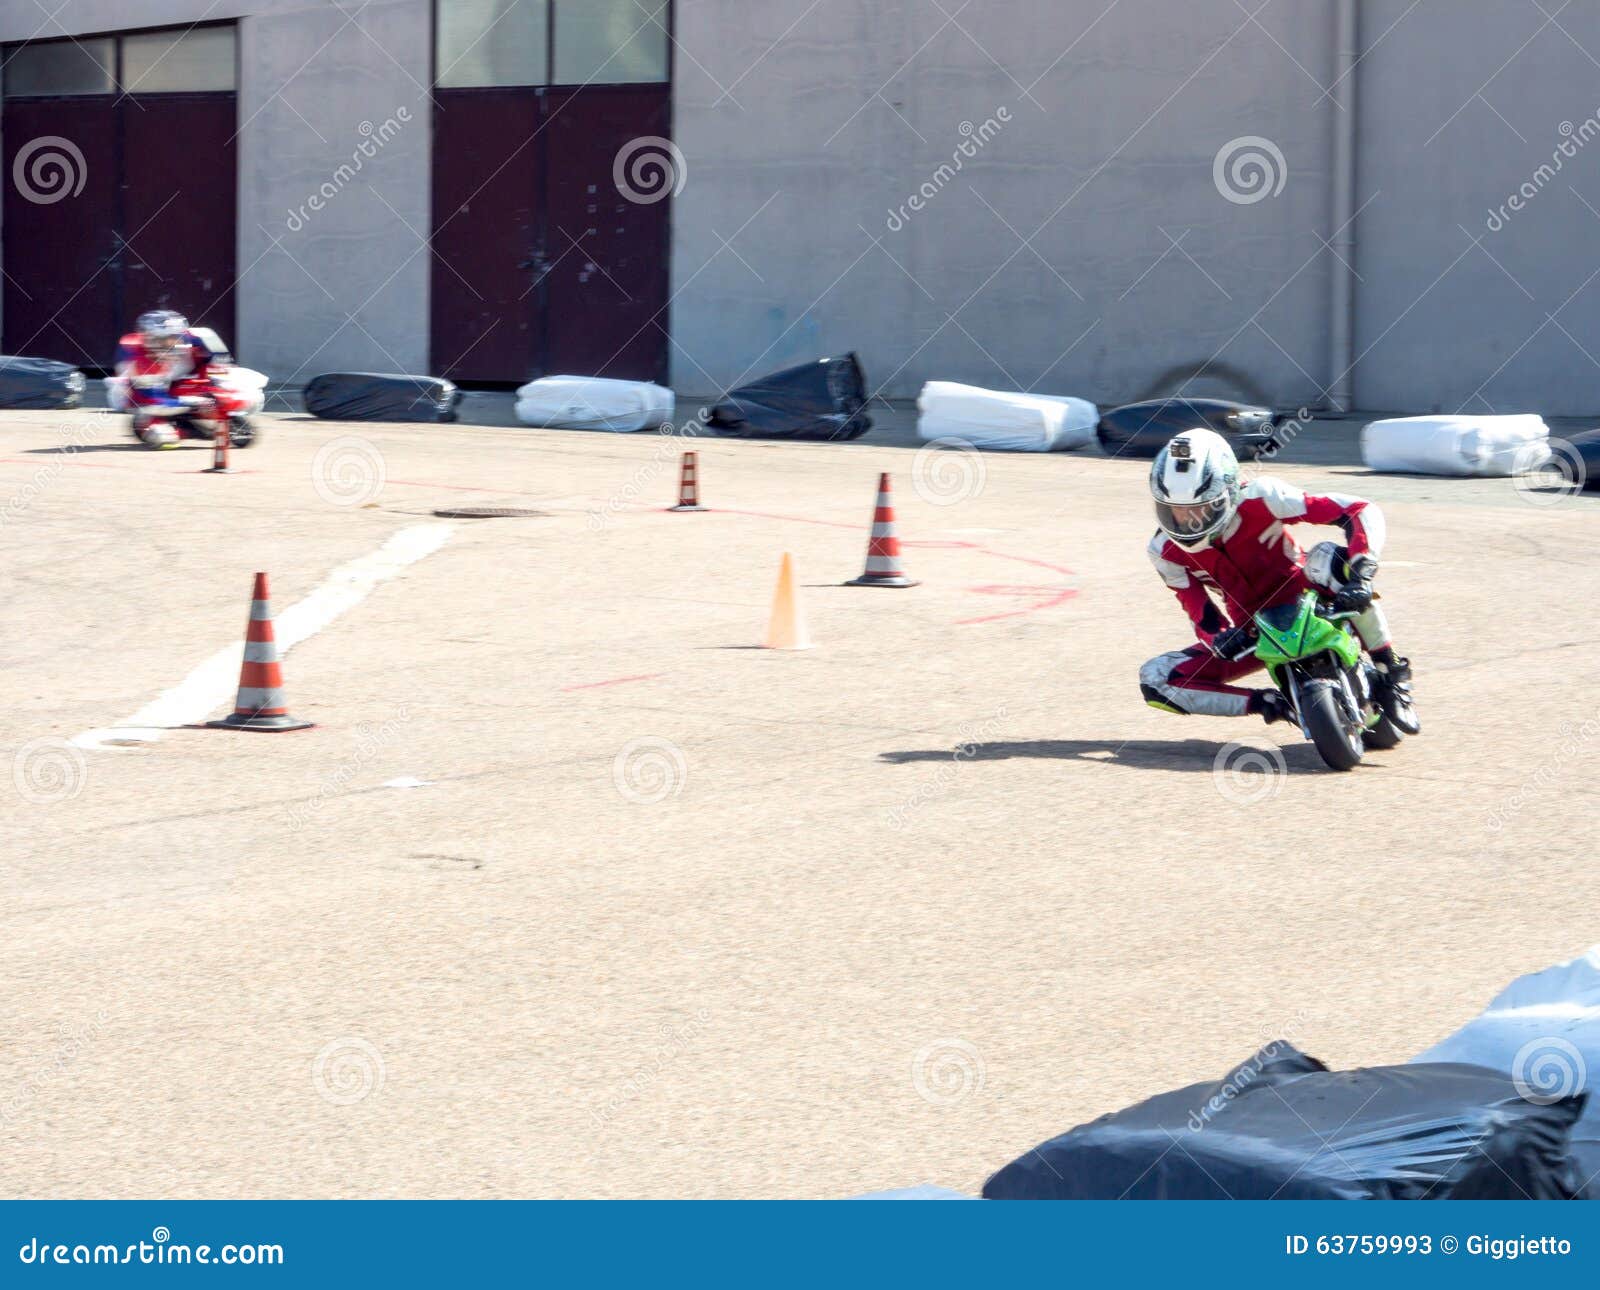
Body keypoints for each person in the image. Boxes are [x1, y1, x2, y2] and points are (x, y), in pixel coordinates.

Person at [1140, 428, 1418, 731]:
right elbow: (1199, 612)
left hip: (1309, 594)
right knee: (1155, 678)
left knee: (1330, 557)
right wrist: (1220, 638)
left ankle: (1389, 670)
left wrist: (1363, 571)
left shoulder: (1262, 495)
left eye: (1200, 508)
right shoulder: (1163, 550)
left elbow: (1357, 509)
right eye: (1175, 512)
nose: (1187, 521)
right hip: (1252, 632)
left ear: (1228, 490)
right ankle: (1271, 704)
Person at [115, 310, 228, 447]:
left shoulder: (187, 338)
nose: (175, 343)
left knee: (209, 364)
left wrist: (219, 371)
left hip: (172, 377)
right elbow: (155, 402)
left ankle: (206, 400)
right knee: (162, 437)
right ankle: (181, 428)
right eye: (167, 339)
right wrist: (194, 402)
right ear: (150, 339)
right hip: (145, 395)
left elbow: (206, 339)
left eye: (177, 337)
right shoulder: (138, 361)